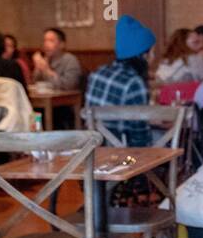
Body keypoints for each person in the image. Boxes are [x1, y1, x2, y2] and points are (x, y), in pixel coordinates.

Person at [86, 14, 155, 147]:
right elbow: (140, 137)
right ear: (143, 55)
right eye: (152, 52)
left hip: (95, 153)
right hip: (126, 160)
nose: (153, 57)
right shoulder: (134, 83)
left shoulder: (97, 74)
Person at [31, 27, 83, 91]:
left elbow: (69, 86)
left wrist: (47, 70)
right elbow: (36, 83)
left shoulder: (70, 60)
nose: (46, 45)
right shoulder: (45, 59)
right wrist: (38, 68)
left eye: (51, 41)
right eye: (45, 41)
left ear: (62, 44)